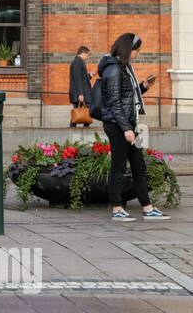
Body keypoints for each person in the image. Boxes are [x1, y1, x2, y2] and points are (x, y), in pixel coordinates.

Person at [99, 33, 167, 222]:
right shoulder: (113, 70)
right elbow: (114, 102)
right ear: (128, 49)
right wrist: (126, 129)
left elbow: (127, 96)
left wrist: (143, 86)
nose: (138, 53)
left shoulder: (123, 68)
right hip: (118, 125)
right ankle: (117, 208)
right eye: (137, 50)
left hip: (128, 123)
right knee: (118, 168)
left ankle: (148, 207)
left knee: (139, 166)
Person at [69, 45, 93, 127]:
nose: (88, 57)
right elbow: (77, 79)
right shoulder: (77, 62)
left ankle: (82, 131)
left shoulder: (79, 62)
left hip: (83, 93)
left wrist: (89, 76)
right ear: (83, 53)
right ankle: (75, 132)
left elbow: (81, 78)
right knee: (78, 115)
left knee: (80, 115)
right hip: (82, 93)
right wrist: (80, 94)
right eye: (87, 55)